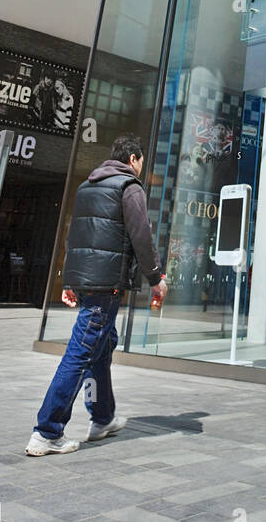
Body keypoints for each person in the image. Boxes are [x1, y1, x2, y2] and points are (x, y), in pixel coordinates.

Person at [25, 134, 166, 456]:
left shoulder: (87, 187)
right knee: (80, 354)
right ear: (133, 159)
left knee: (100, 349)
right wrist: (156, 277)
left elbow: (74, 235)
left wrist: (70, 282)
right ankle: (46, 431)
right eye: (141, 161)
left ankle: (102, 418)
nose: (141, 167)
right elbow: (141, 235)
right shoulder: (128, 187)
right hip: (106, 285)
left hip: (89, 282)